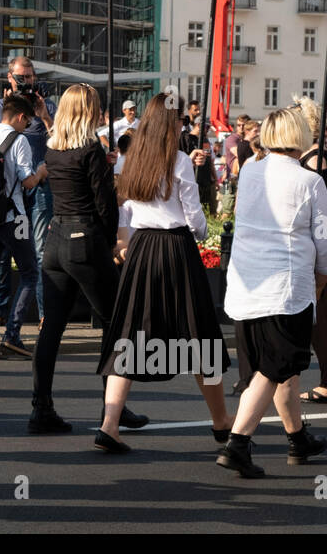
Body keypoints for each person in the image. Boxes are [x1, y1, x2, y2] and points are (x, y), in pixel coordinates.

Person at [96, 93, 231, 454]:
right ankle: (221, 422)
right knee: (198, 335)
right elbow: (194, 217)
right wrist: (205, 232)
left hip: (141, 250)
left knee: (130, 332)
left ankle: (110, 424)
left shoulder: (132, 158)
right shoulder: (180, 160)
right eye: (180, 121)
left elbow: (124, 207)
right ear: (172, 123)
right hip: (175, 249)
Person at [218, 106, 327, 477]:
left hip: (246, 283)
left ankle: (297, 437)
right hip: (286, 288)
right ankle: (237, 444)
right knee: (273, 368)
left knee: (283, 366)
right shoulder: (309, 180)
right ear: (300, 135)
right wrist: (324, 277)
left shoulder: (251, 171)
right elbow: (326, 240)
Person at [31, 84, 123, 433]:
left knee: (51, 327)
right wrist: (113, 241)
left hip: (56, 239)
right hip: (85, 239)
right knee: (116, 322)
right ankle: (113, 408)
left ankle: (41, 408)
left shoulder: (54, 151)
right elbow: (104, 205)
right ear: (90, 112)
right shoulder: (91, 150)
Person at [0, 95, 48, 360]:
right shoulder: (19, 140)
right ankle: (11, 335)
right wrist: (42, 172)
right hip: (15, 218)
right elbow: (27, 183)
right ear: (20, 117)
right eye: (27, 122)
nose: (26, 127)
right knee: (30, 272)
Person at [0, 57, 56, 328]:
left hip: (38, 186)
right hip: (8, 188)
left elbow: (60, 140)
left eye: (29, 77)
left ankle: (44, 313)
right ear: (9, 78)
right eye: (20, 77)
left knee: (41, 249)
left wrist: (44, 117)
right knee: (3, 250)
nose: (25, 82)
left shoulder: (46, 106)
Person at [289, 96, 327, 405]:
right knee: (321, 319)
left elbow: (322, 214)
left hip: (318, 246)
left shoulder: (315, 160)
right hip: (315, 244)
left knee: (323, 320)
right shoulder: (315, 156)